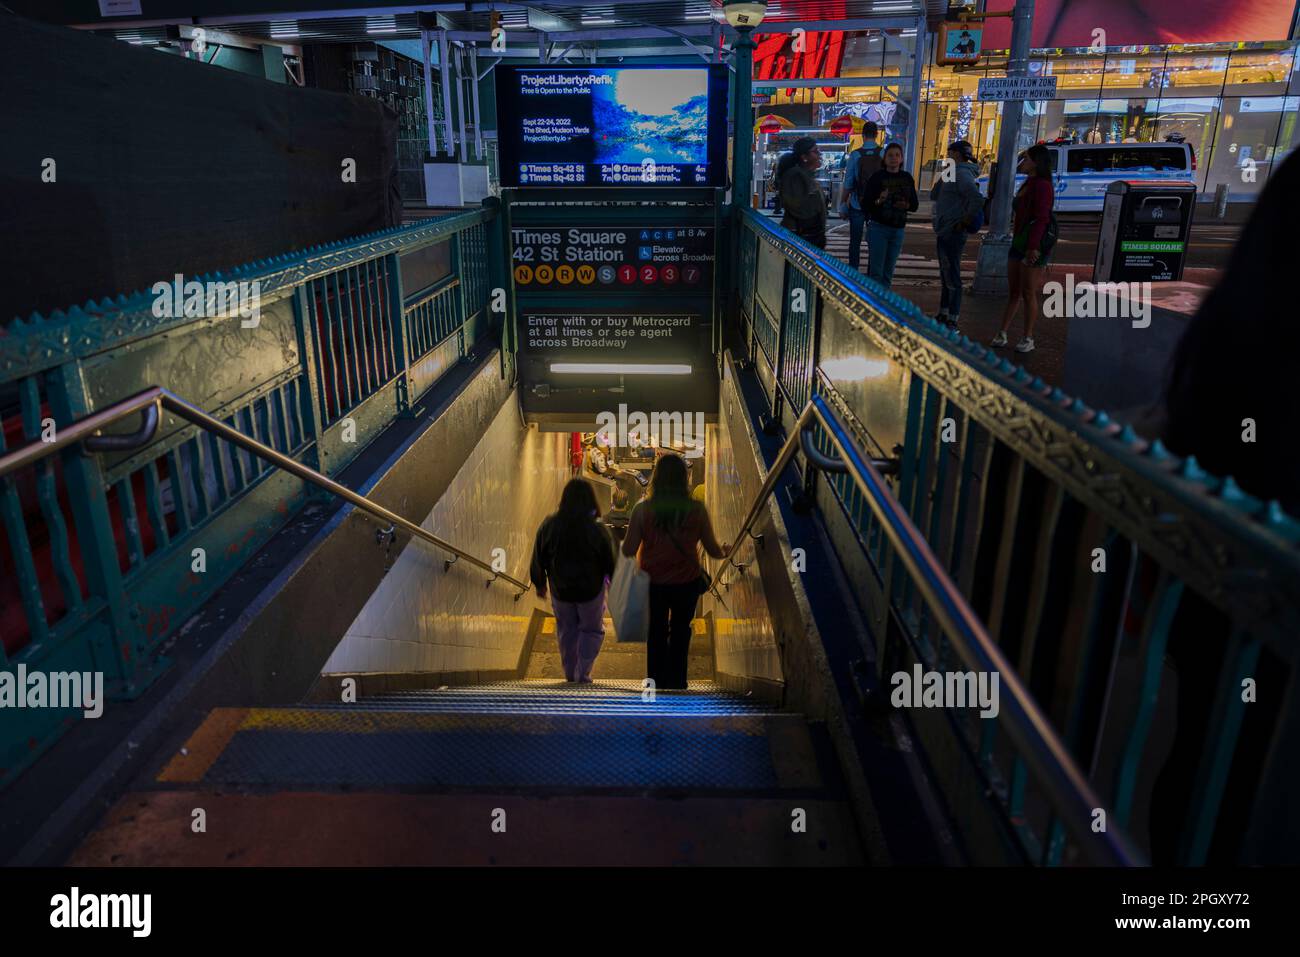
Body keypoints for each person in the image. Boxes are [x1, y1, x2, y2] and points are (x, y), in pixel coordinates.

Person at [620, 454, 729, 690]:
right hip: (686, 581)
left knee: (656, 630)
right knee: (681, 630)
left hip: (653, 582)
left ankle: (656, 681)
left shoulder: (642, 509)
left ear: (656, 478)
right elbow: (713, 549)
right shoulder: (696, 510)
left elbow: (628, 549)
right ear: (684, 479)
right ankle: (678, 681)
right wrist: (726, 551)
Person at [530, 478, 616, 684]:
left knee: (567, 631)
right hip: (590, 593)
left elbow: (538, 556)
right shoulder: (598, 530)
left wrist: (540, 583)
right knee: (592, 630)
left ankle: (570, 673)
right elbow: (609, 561)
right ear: (591, 501)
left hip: (561, 591)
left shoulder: (549, 525)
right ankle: (582, 672)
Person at [991, 143, 1055, 355]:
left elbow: (1041, 219)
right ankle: (1002, 332)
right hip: (1019, 242)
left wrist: (1033, 246)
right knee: (1014, 291)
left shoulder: (1042, 186)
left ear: (1036, 162)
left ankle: (1028, 337)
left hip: (1031, 246)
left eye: (1026, 158)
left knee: (1028, 292)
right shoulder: (1029, 182)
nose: (1023, 162)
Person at [929, 139, 984, 329]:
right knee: (946, 274)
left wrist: (965, 221)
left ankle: (953, 317)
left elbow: (976, 198)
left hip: (953, 231)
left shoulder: (962, 173)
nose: (947, 156)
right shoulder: (953, 172)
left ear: (957, 154)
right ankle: (944, 313)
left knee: (952, 275)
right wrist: (944, 175)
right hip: (945, 229)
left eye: (949, 153)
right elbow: (934, 195)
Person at [862, 142, 918, 288]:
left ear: (901, 159)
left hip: (898, 229)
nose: (894, 158)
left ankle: (883, 305)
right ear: (885, 158)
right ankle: (873, 305)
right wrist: (880, 199)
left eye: (897, 155)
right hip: (878, 228)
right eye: (890, 155)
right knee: (876, 272)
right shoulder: (877, 177)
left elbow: (915, 205)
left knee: (888, 272)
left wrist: (906, 205)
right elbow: (866, 204)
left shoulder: (907, 178)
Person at [837, 120, 882, 269]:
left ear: (863, 136)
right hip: (877, 205)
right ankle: (872, 275)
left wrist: (843, 203)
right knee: (875, 242)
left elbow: (848, 182)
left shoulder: (855, 155)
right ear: (876, 135)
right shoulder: (882, 153)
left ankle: (853, 274)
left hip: (857, 203)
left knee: (854, 242)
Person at [777, 137, 828, 249]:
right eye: (815, 151)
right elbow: (800, 208)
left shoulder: (807, 175)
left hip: (809, 236)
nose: (819, 155)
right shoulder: (795, 176)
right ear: (804, 157)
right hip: (800, 238)